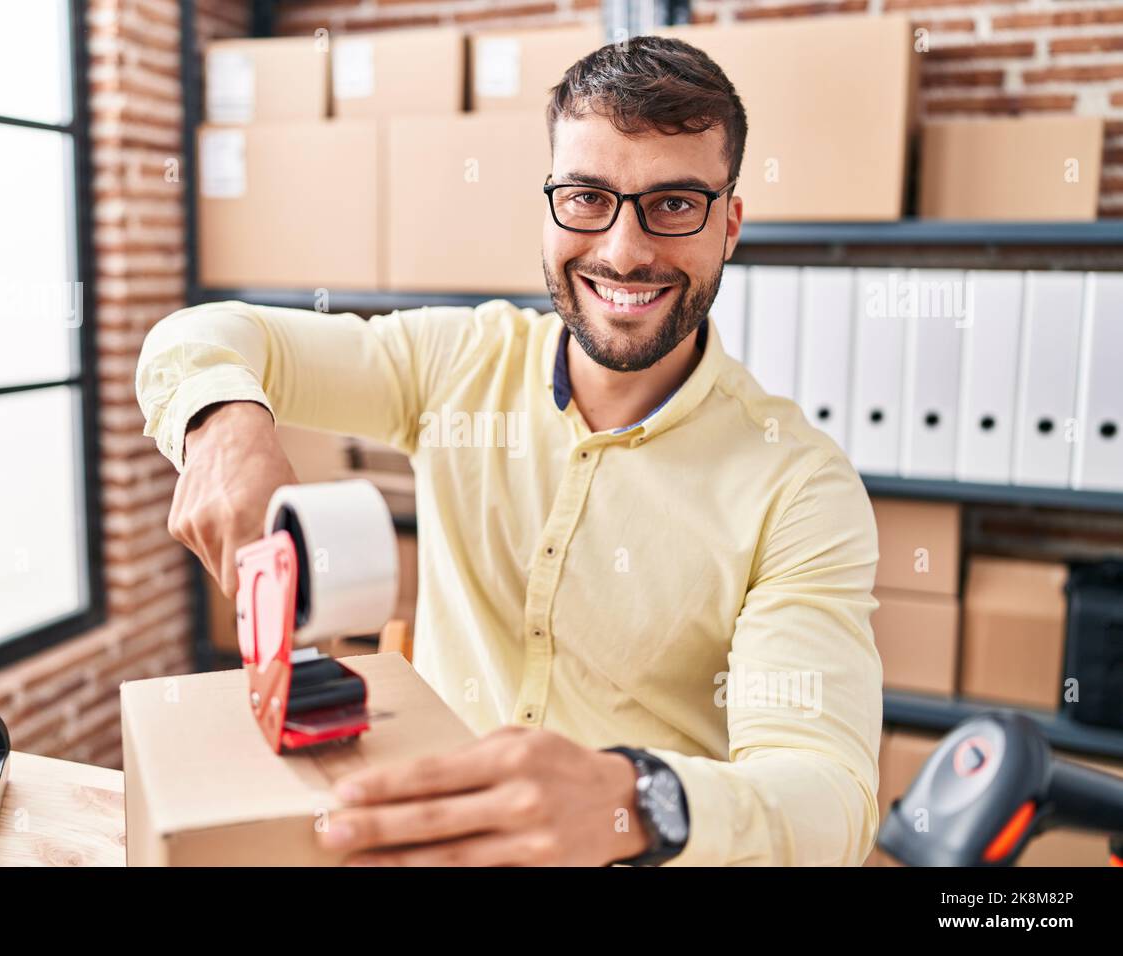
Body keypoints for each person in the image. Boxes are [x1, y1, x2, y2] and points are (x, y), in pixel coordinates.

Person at [136, 35, 882, 866]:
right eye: (588, 197)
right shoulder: (456, 363)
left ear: (730, 224)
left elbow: (828, 801)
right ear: (550, 205)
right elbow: (202, 333)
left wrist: (637, 798)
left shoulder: (799, 486)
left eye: (674, 204)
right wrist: (225, 424)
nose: (625, 251)